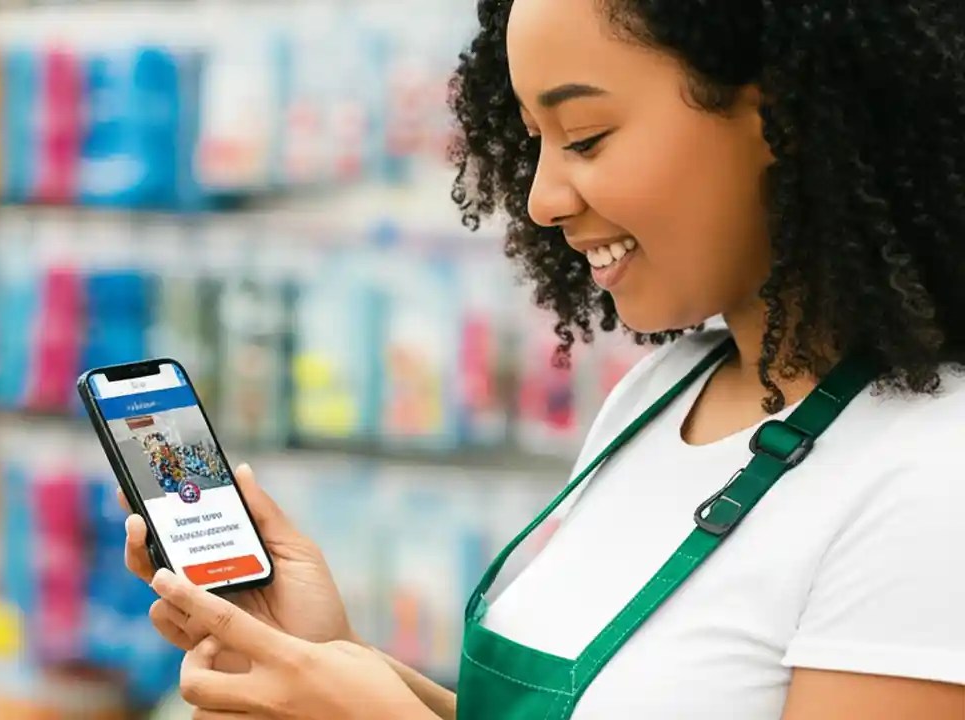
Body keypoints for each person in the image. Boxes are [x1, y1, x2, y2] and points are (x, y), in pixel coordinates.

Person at [121, 0, 965, 717]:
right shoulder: (660, 395)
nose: (542, 199)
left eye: (586, 137)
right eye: (534, 142)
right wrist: (322, 659)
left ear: (790, 110)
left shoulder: (932, 474)